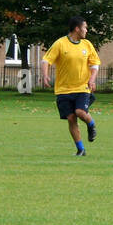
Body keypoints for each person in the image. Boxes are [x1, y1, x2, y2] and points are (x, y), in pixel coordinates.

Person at [41, 16, 100, 156]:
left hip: (82, 88)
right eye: (84, 27)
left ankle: (91, 125)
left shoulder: (87, 45)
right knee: (71, 119)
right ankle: (81, 149)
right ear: (77, 29)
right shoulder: (60, 44)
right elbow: (45, 61)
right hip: (63, 89)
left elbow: (95, 65)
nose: (86, 30)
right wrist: (45, 75)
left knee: (80, 112)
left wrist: (92, 79)